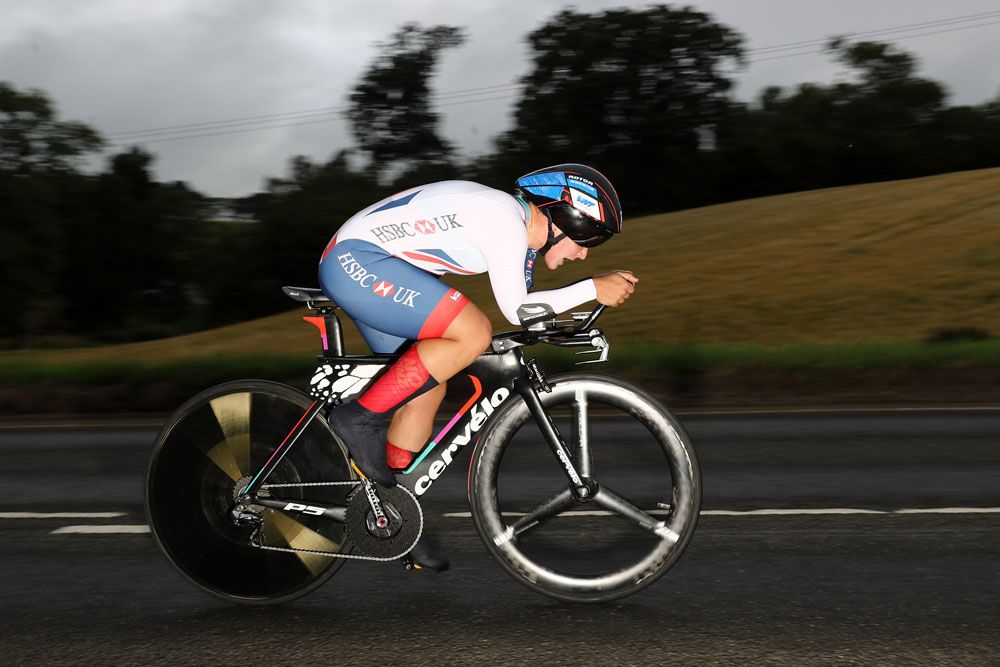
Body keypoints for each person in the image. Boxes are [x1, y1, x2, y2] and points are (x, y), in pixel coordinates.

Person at [318, 164, 636, 571]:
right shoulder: (503, 220)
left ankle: (390, 509)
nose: (584, 252)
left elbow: (528, 307)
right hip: (356, 260)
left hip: (369, 262)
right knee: (472, 334)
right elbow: (517, 309)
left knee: (426, 384)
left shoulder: (513, 228)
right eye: (588, 236)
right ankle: (358, 420)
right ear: (561, 218)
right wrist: (593, 287)